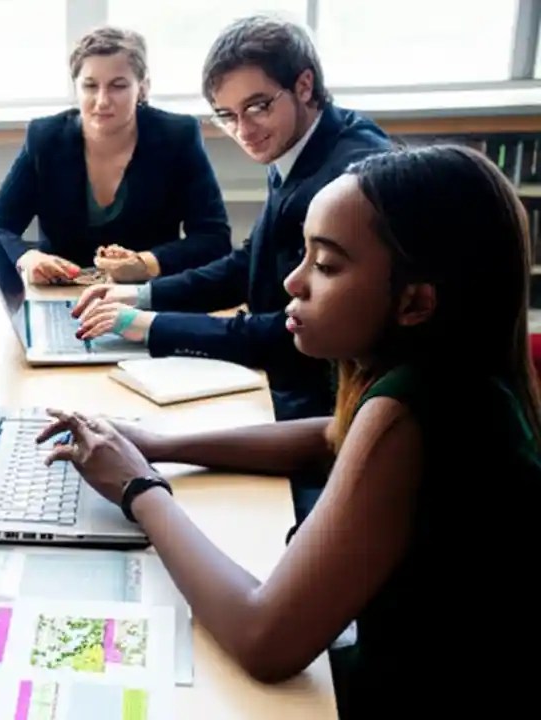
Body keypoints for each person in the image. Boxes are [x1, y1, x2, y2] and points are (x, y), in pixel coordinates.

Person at [39, 144, 539, 717]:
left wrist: (139, 488)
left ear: (415, 303)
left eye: (326, 266)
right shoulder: (454, 376)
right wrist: (160, 443)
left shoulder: (408, 414)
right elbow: (334, 435)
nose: (293, 283)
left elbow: (264, 639)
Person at [71, 15, 390, 521]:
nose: (243, 131)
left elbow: (291, 331)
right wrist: (144, 297)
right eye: (227, 115)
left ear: (304, 85)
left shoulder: (342, 181)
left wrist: (151, 327)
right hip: (297, 390)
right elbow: (252, 262)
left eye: (257, 106)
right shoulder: (304, 143)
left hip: (319, 401)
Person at [0, 26, 232, 286]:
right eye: (90, 86)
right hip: (59, 296)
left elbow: (213, 238)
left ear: (143, 88)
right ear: (76, 88)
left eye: (118, 86)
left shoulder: (178, 136)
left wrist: (146, 263)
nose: (102, 101)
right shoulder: (44, 138)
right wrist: (26, 257)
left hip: (146, 298)